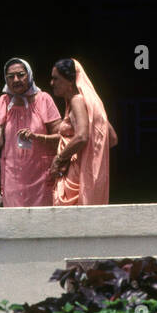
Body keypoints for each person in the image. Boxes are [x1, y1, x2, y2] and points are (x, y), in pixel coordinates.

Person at [0, 58, 61, 207]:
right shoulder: (3, 102)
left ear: (29, 75)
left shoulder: (44, 100)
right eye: (11, 77)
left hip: (43, 176)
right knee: (14, 218)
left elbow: (61, 138)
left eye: (21, 75)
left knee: (42, 218)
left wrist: (38, 137)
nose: (16, 80)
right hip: (12, 178)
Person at [44, 58, 117, 206]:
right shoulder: (91, 103)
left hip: (76, 172)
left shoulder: (77, 100)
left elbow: (82, 136)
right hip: (86, 171)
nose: (52, 83)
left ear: (70, 81)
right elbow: (112, 138)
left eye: (56, 79)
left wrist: (59, 158)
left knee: (70, 214)